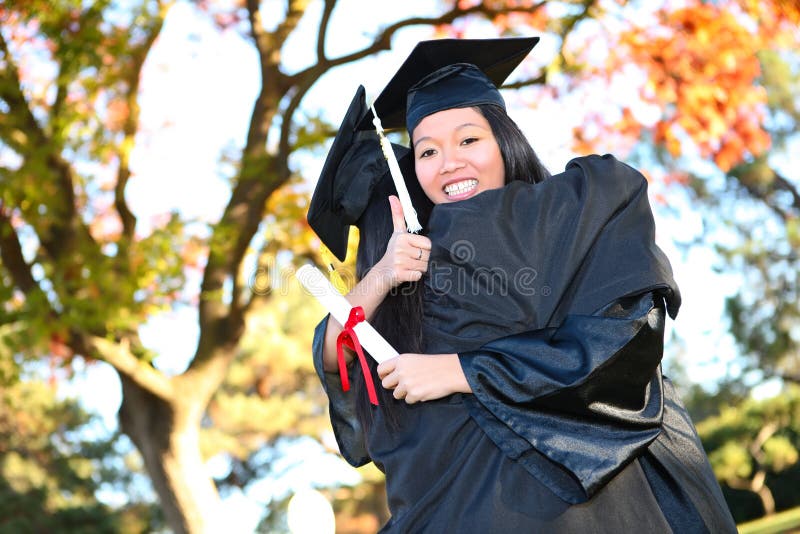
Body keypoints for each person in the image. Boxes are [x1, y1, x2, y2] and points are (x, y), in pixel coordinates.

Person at [306, 37, 737, 533]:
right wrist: (383, 273)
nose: (449, 162)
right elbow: (336, 354)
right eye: (427, 151)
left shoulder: (574, 211)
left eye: (469, 140)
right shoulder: (412, 270)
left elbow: (622, 340)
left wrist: (462, 371)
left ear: (504, 141)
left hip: (595, 491)